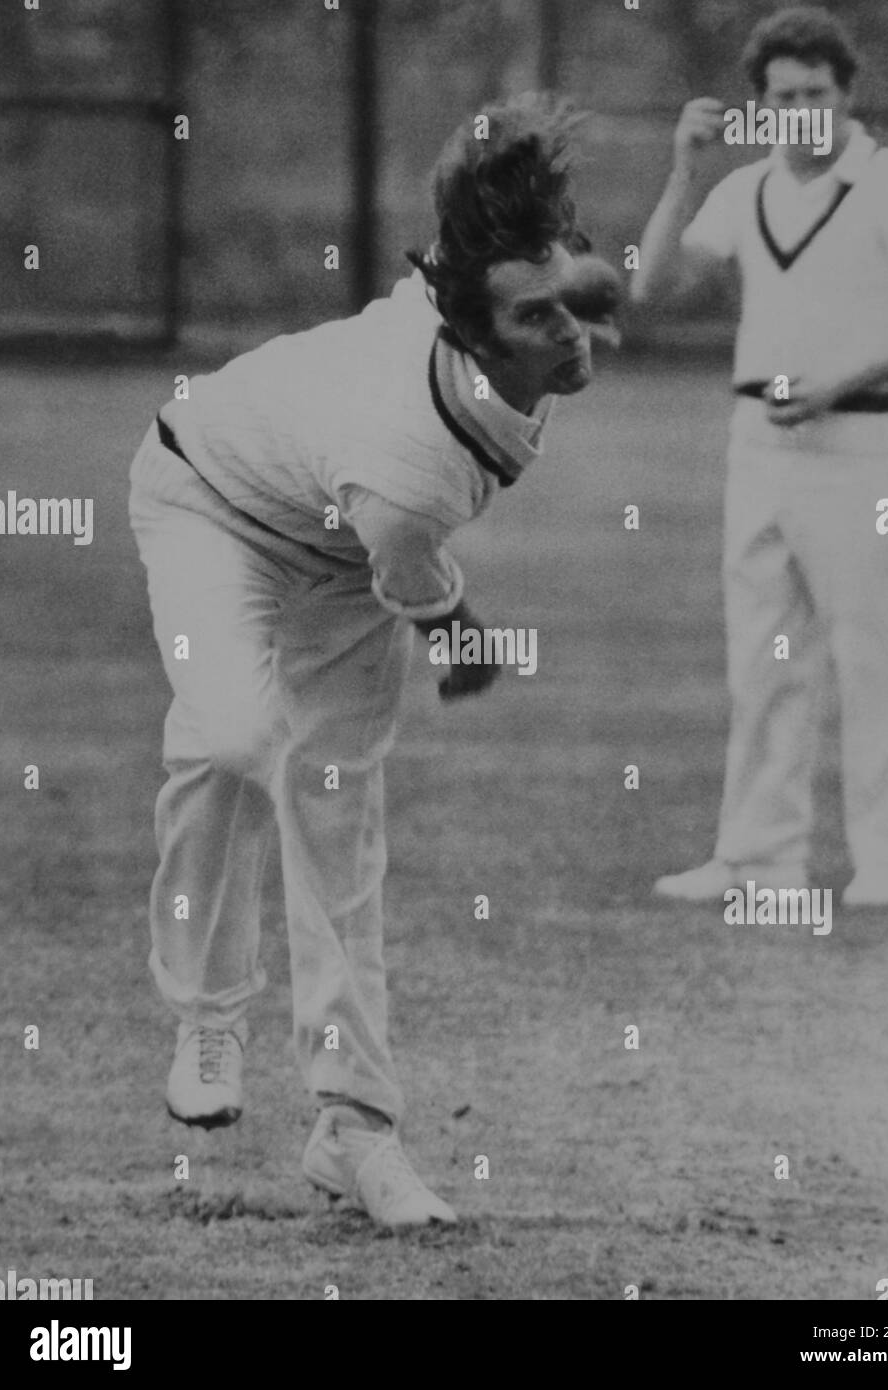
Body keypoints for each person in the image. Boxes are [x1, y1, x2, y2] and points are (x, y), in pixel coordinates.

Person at [128, 95, 619, 1227]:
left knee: (338, 817)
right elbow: (413, 569)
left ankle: (355, 1129)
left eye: (570, 298)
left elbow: (572, 276)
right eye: (539, 318)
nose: (572, 332)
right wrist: (456, 632)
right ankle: (209, 1010)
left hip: (342, 540)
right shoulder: (413, 461)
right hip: (212, 498)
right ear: (478, 335)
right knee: (241, 738)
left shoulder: (510, 312)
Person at [631, 5, 888, 907]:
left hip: (863, 444)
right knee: (763, 660)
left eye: (816, 93)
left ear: (846, 94)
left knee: (873, 660)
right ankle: (758, 858)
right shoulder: (743, 191)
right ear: (761, 104)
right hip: (760, 448)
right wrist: (680, 171)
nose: (801, 112)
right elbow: (650, 287)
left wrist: (829, 384)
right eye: (782, 97)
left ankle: (885, 866)